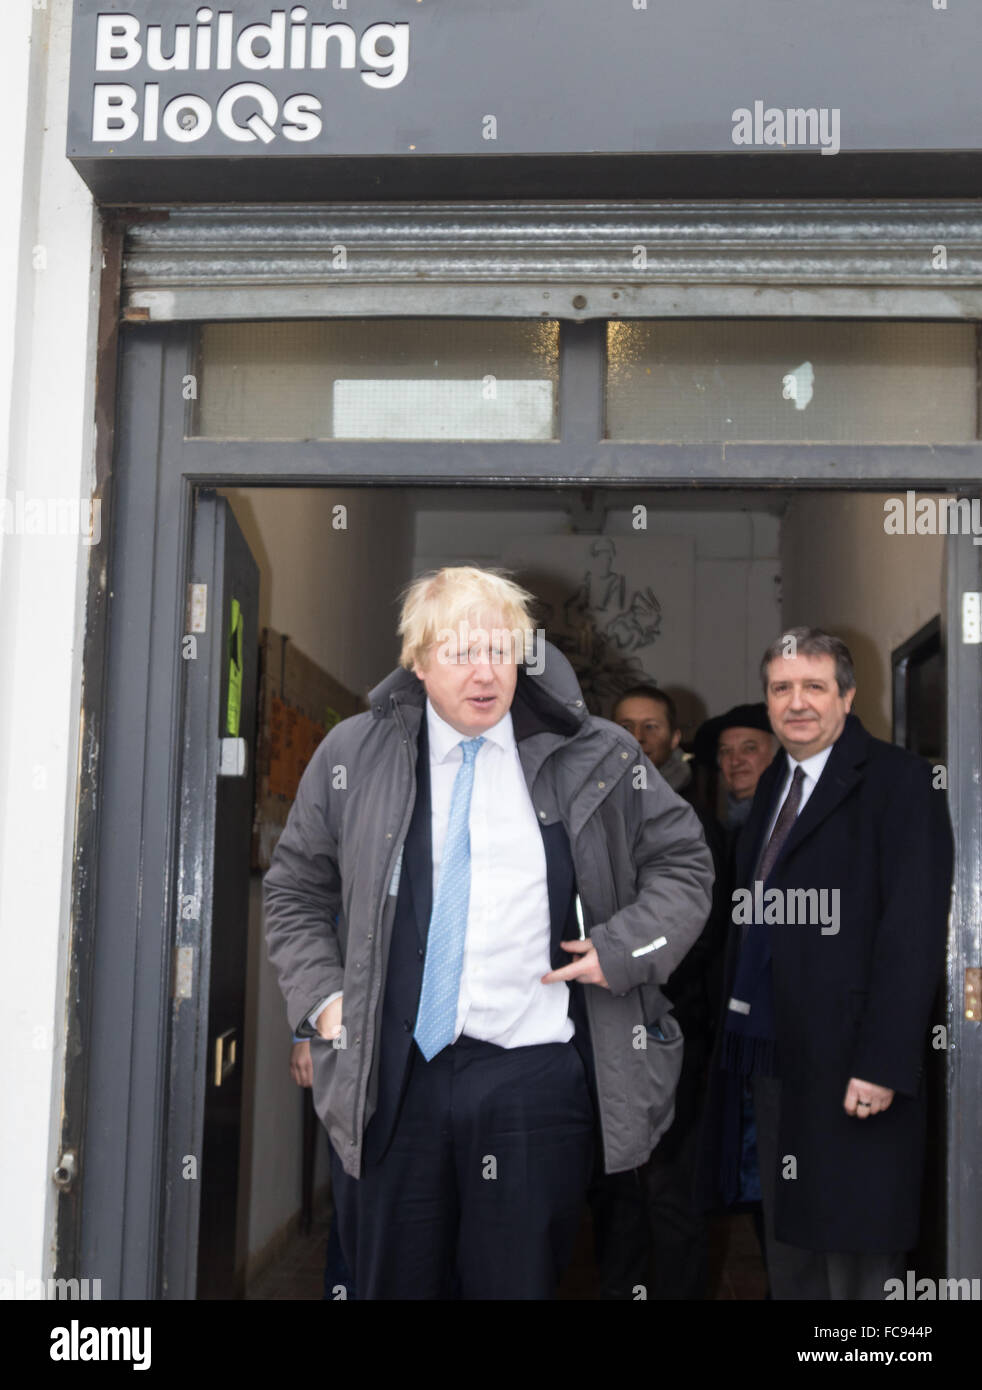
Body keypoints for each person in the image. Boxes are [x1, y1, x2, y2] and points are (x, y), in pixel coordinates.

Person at [263, 566, 714, 1300]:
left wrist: (628, 950)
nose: (485, 673)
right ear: (418, 661)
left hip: (533, 1081)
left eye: (500, 652)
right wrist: (324, 1002)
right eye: (461, 653)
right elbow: (294, 888)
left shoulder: (595, 753)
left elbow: (686, 865)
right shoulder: (353, 753)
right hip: (391, 1073)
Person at [701, 627, 953, 1300]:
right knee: (792, 1248)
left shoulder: (899, 781)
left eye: (814, 686)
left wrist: (881, 1062)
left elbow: (912, 932)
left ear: (847, 695)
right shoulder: (778, 781)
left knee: (858, 1255)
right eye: (781, 688)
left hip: (855, 1066)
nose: (797, 703)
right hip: (776, 1057)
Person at [601, 684, 729, 1299]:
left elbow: (700, 931)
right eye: (626, 725)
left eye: (652, 727)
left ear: (674, 739)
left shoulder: (693, 819)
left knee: (669, 1188)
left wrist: (629, 970)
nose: (637, 737)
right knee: (619, 1189)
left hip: (671, 1027)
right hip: (603, 1027)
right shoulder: (593, 808)